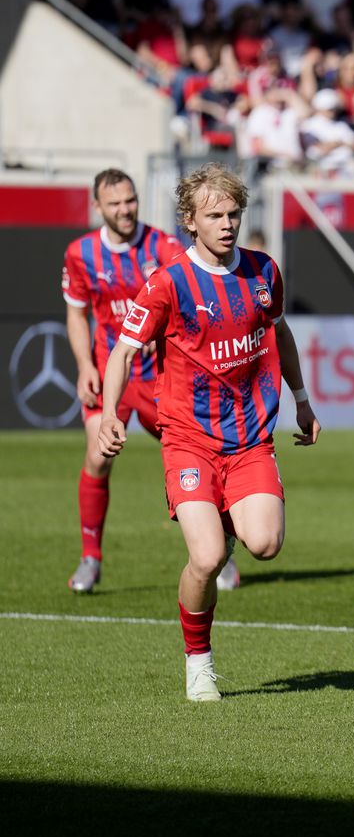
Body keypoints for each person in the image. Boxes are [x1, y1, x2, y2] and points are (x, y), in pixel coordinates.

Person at [97, 163, 321, 701]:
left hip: (249, 440)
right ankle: (198, 661)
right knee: (206, 559)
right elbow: (123, 352)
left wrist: (302, 399)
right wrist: (108, 413)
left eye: (233, 213)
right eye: (214, 215)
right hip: (189, 439)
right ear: (189, 221)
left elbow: (280, 334)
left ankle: (224, 519)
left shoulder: (263, 272)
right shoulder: (167, 282)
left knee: (265, 544)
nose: (227, 224)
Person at [63, 169, 187, 593]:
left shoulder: (164, 247)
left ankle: (218, 550)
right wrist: (84, 365)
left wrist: (162, 329)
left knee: (195, 457)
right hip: (108, 373)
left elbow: (188, 301)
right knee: (98, 456)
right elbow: (76, 314)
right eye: (114, 203)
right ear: (97, 207)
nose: (125, 209)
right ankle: (90, 558)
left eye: (130, 200)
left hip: (160, 378)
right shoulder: (80, 254)